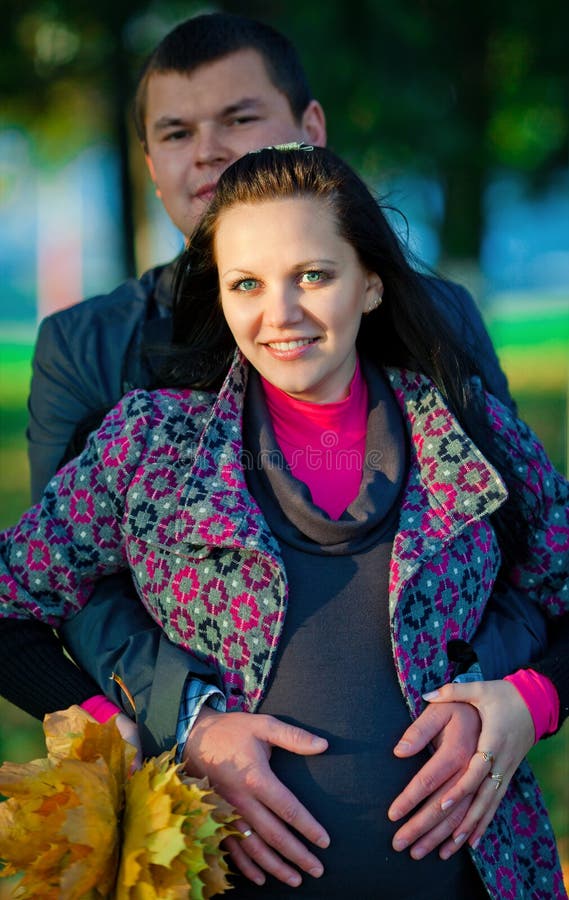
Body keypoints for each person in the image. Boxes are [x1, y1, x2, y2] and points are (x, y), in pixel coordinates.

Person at [0, 9, 562, 866]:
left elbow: (539, 573)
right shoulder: (145, 436)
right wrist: (150, 733)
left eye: (313, 275)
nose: (282, 313)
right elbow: (39, 594)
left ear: (370, 284)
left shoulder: (459, 414)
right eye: (246, 283)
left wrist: (527, 696)